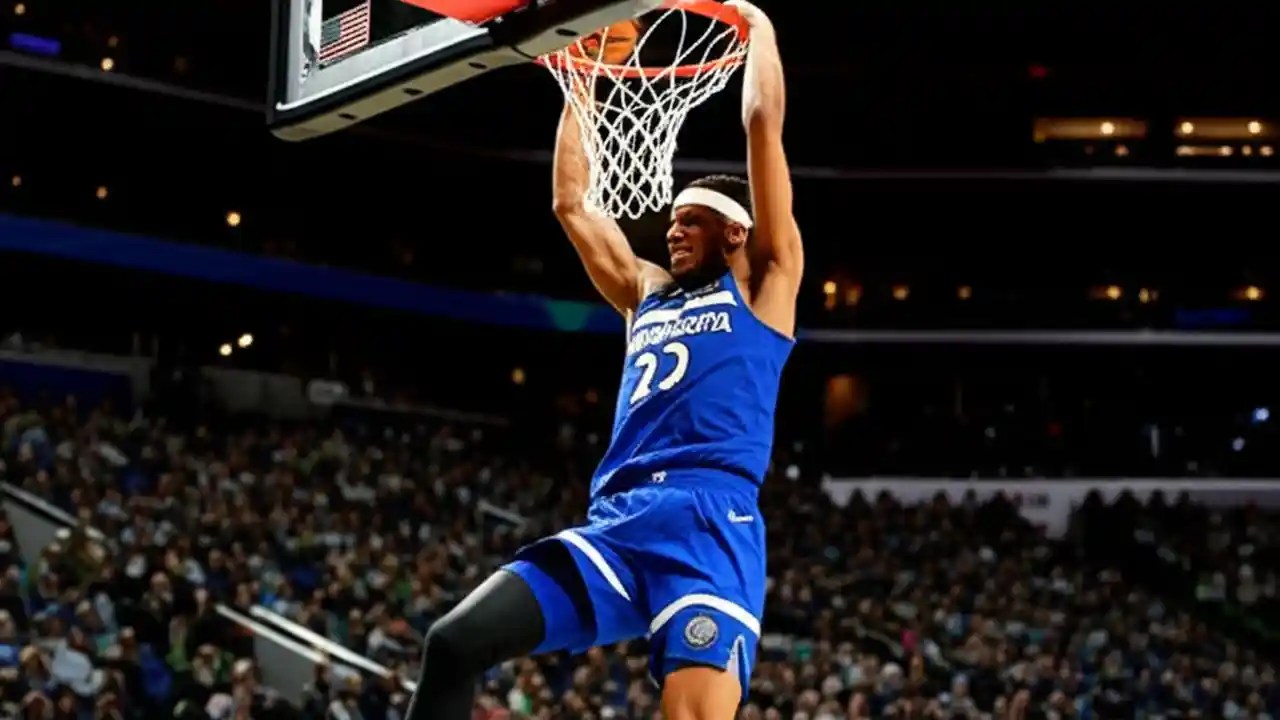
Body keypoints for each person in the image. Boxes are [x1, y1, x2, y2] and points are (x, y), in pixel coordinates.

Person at [404, 2, 801, 718]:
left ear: (736, 233)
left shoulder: (766, 282)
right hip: (618, 517)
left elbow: (762, 126)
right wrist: (579, 70)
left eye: (692, 222)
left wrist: (758, 27)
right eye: (672, 220)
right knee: (454, 642)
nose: (673, 232)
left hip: (708, 522)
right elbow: (572, 203)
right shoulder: (644, 292)